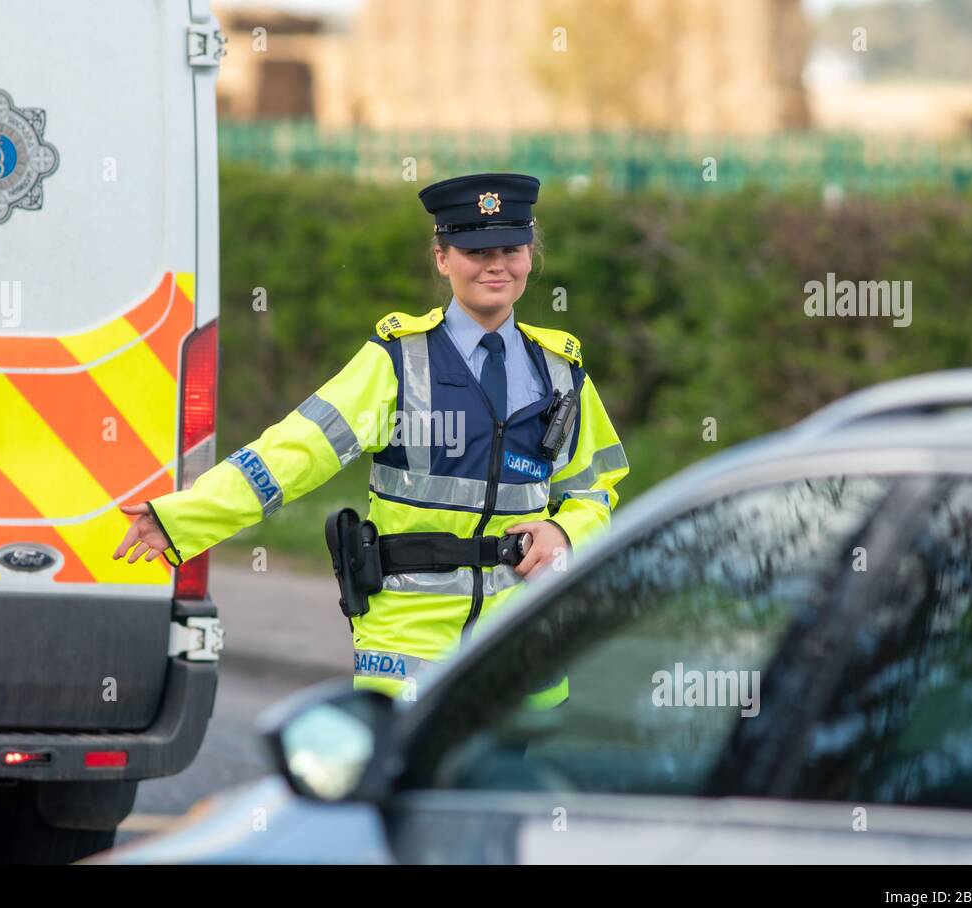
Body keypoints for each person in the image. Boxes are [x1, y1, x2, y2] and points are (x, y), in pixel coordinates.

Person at [113, 172, 628, 707]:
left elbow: (595, 490)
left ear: (529, 255)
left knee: (507, 789)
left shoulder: (561, 369)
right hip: (409, 640)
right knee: (399, 784)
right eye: (475, 250)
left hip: (524, 637)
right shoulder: (398, 359)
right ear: (442, 258)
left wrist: (565, 534)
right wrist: (185, 516)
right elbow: (295, 451)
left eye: (510, 249)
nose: (495, 264)